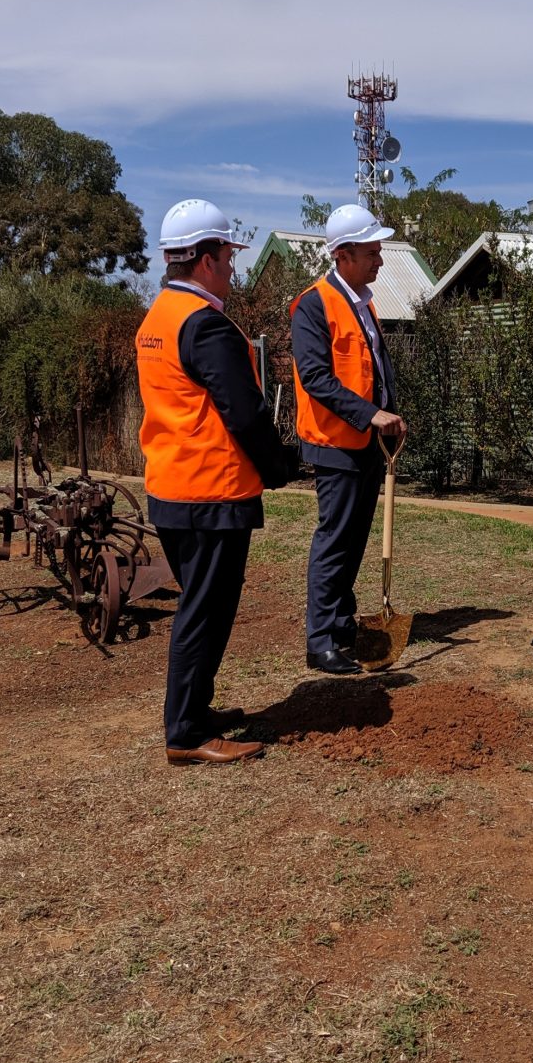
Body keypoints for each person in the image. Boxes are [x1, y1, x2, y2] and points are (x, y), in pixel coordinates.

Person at [136, 198, 293, 765]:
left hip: (172, 487)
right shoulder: (206, 326)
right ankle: (186, 733)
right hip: (211, 492)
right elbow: (245, 413)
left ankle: (196, 713)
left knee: (201, 606)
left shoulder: (158, 318)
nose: (232, 267)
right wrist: (280, 468)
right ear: (205, 259)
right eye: (228, 256)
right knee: (204, 613)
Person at [291, 203, 407, 676]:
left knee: (354, 539)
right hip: (334, 442)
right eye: (371, 252)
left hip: (367, 443)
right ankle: (320, 641)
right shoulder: (313, 305)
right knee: (336, 540)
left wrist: (390, 414)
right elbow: (316, 378)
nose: (380, 260)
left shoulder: (364, 303)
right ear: (343, 255)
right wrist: (371, 414)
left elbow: (374, 368)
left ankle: (341, 624)